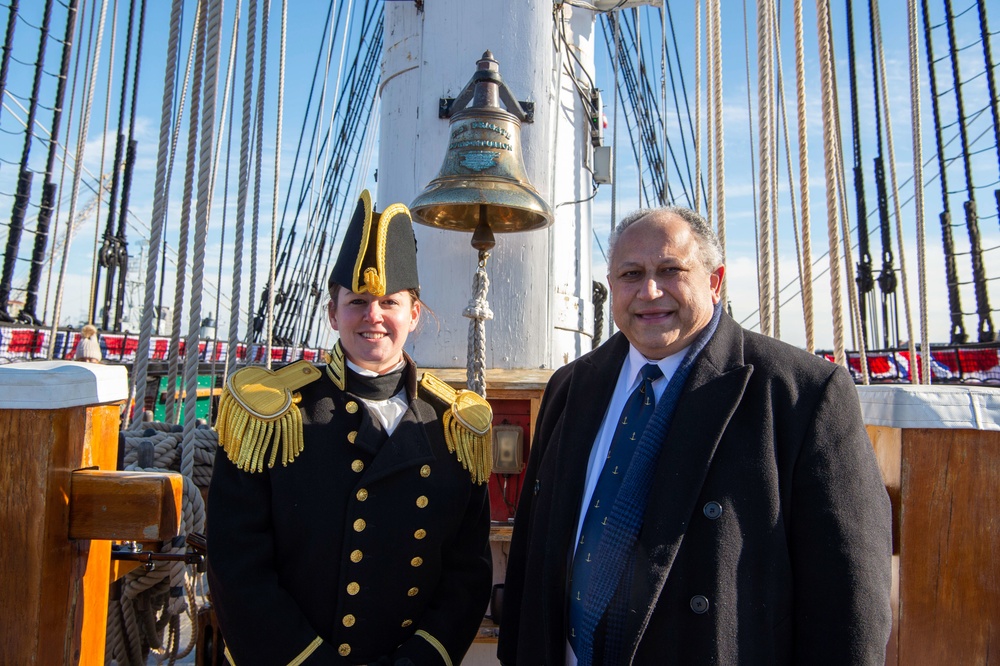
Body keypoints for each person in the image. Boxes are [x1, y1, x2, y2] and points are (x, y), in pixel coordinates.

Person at [497, 207, 892, 665]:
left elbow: (849, 591)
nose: (649, 291)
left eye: (670, 270)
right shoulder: (571, 387)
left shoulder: (799, 394)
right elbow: (533, 546)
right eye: (631, 274)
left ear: (715, 280)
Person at [208, 190, 494, 666]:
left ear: (414, 314)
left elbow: (468, 570)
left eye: (389, 302)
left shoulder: (456, 425)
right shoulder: (273, 413)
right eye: (357, 301)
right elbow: (237, 563)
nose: (373, 317)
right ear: (332, 313)